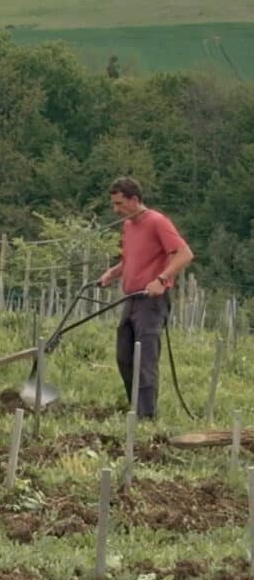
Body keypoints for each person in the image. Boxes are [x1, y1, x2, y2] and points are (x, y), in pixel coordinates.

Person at [96, 176, 194, 420]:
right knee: (124, 356)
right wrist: (114, 272)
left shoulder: (157, 222)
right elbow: (131, 258)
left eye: (119, 204)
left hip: (151, 302)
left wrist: (162, 279)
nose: (115, 209)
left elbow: (184, 254)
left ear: (135, 200)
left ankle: (146, 416)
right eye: (114, 204)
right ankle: (135, 409)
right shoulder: (129, 226)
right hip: (131, 299)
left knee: (145, 360)